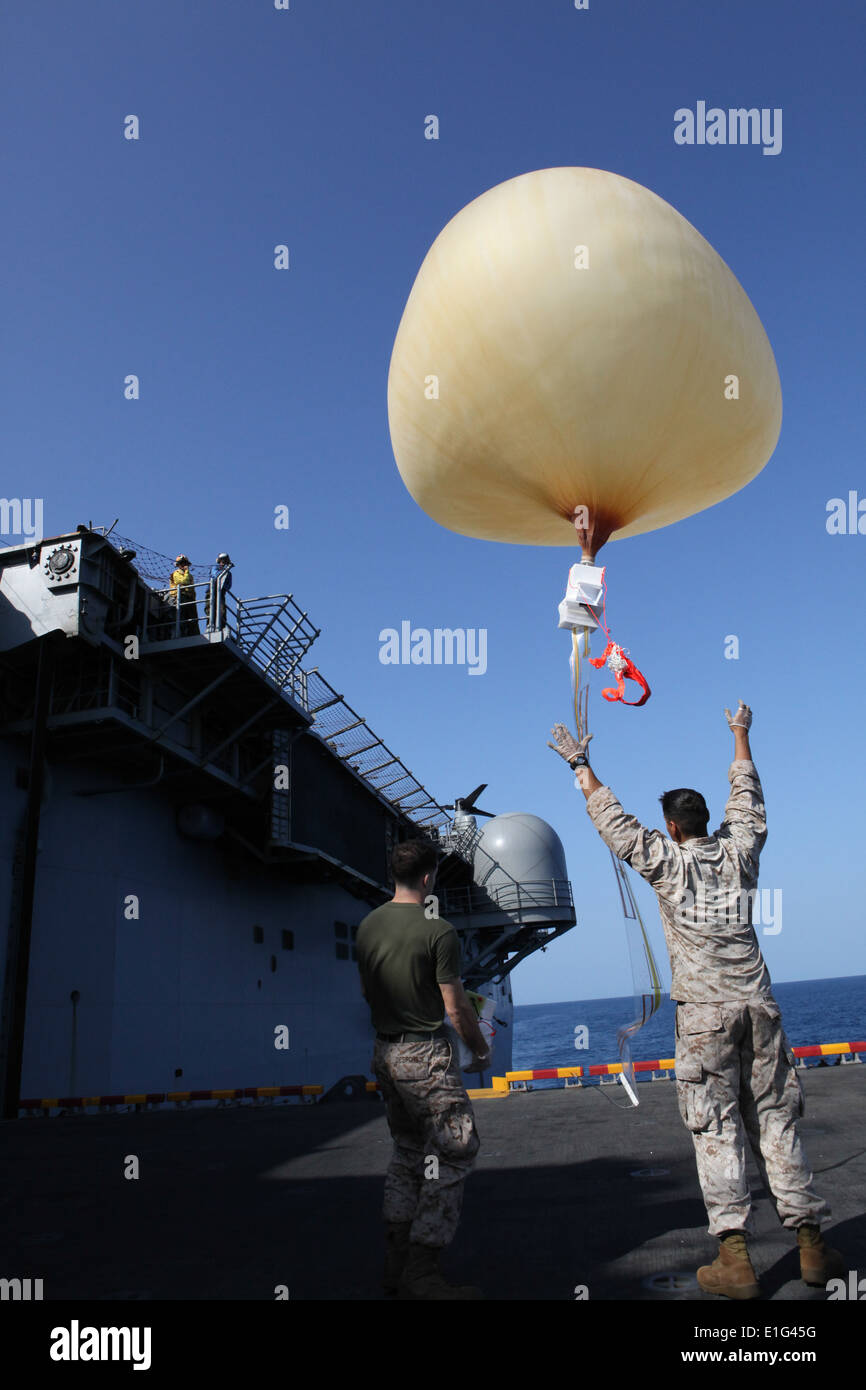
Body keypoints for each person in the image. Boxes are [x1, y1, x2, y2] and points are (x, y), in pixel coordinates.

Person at [548, 701, 844, 1300]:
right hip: (758, 1005)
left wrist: (579, 761)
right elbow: (749, 800)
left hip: (706, 1017)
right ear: (706, 821)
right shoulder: (740, 852)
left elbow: (614, 822)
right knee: (777, 1121)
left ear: (674, 827)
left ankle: (735, 1259)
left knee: (715, 1130)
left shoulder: (667, 861)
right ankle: (812, 1245)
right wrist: (740, 733)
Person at [356, 838, 490, 1300]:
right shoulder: (439, 931)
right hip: (425, 1055)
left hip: (385, 1053)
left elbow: (367, 993)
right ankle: (423, 1269)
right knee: (455, 1148)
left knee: (408, 1151)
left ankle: (395, 1264)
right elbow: (456, 1009)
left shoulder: (367, 927)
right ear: (429, 878)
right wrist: (481, 1051)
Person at [168, 555, 199, 636]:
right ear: (178, 565)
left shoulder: (190, 576)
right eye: (182, 563)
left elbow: (192, 588)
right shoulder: (175, 574)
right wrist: (187, 572)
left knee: (193, 619)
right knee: (180, 618)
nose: (184, 565)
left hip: (189, 599)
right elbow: (184, 581)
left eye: (185, 563)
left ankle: (193, 635)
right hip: (179, 598)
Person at [205, 552, 232, 632]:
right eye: (222, 560)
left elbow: (229, 585)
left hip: (221, 592)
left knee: (222, 609)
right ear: (219, 561)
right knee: (210, 607)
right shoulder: (215, 568)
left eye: (225, 560)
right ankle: (210, 625)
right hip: (211, 591)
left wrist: (224, 588)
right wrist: (225, 570)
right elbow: (216, 575)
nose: (223, 562)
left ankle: (222, 627)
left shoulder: (228, 573)